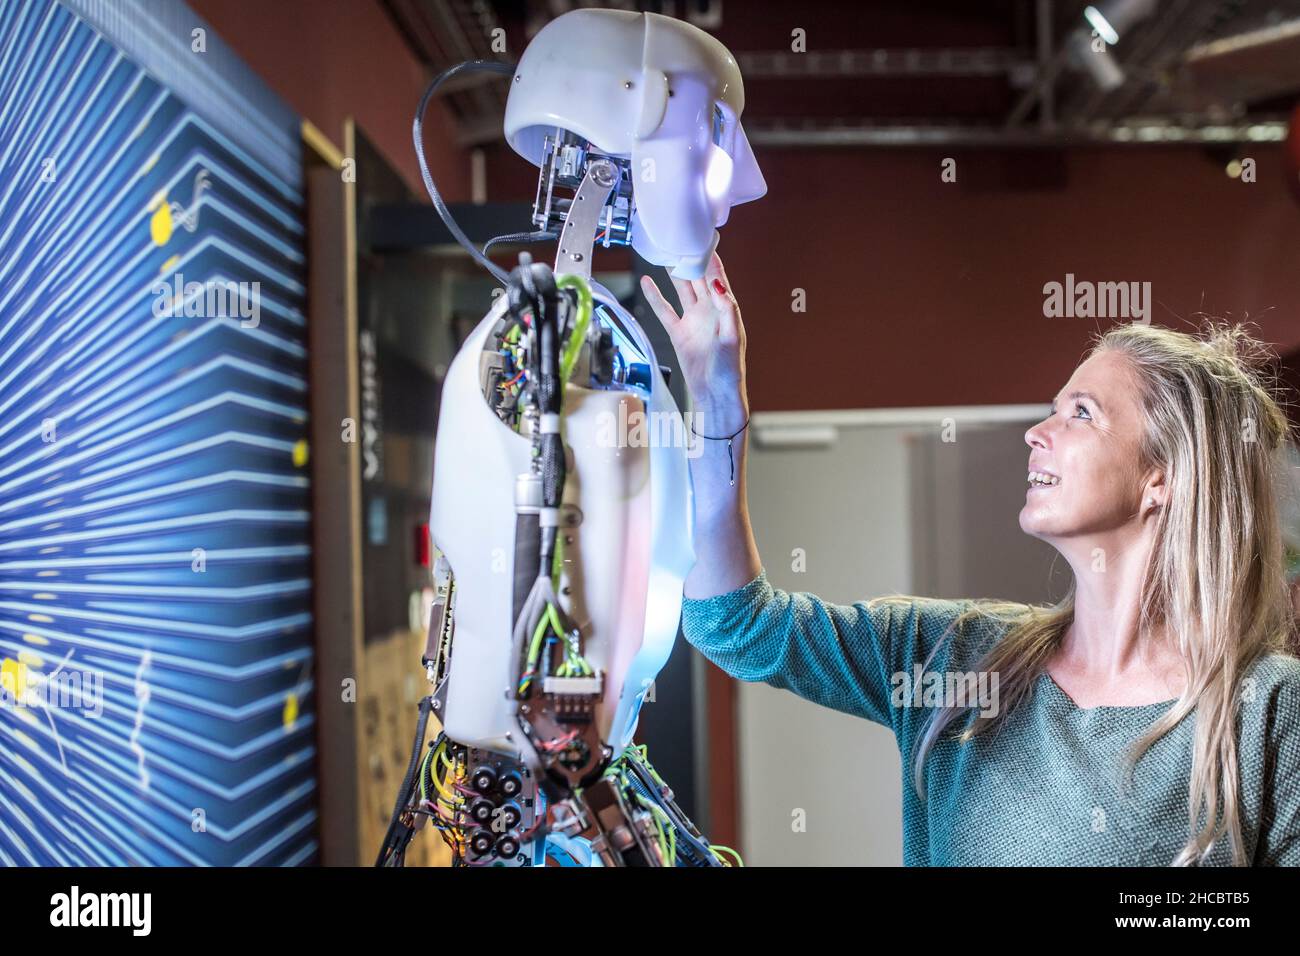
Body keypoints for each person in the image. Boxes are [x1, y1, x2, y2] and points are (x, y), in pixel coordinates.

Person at [640, 254, 1300, 866]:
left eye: (1080, 413)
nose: (1036, 434)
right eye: (1052, 410)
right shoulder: (954, 656)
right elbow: (735, 626)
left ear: (1164, 477)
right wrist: (720, 405)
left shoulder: (1270, 710)